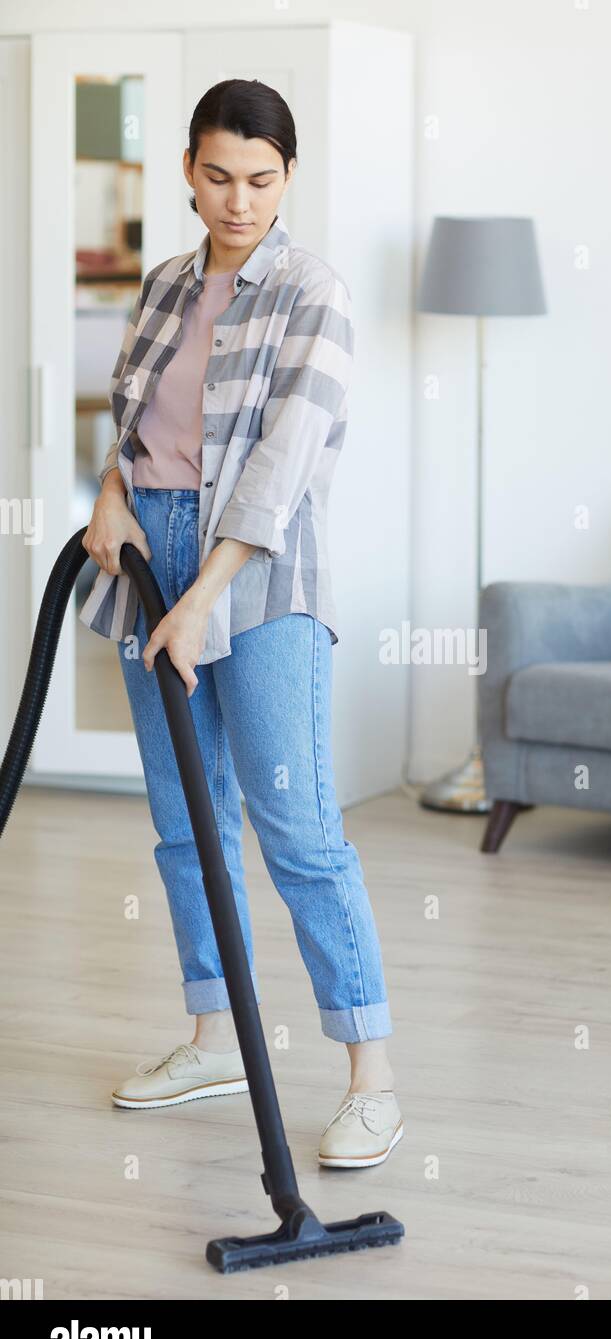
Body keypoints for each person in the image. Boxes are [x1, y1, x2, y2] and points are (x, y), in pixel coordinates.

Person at [79, 79, 401, 1169]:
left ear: (288, 178)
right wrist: (110, 501)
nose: (238, 200)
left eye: (261, 180)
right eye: (218, 176)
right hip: (147, 555)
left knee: (296, 825)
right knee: (186, 820)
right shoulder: (165, 284)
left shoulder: (314, 291)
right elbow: (126, 418)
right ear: (187, 170)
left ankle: (370, 1077)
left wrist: (202, 597)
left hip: (256, 574)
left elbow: (279, 467)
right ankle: (215, 1035)